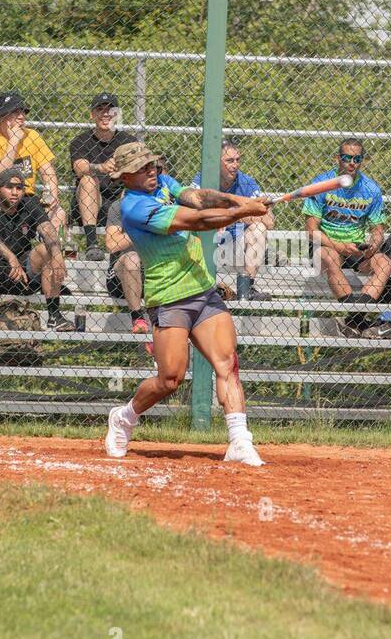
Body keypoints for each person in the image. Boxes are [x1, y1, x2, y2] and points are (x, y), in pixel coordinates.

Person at [104, 143, 269, 466]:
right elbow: (197, 221)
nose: (152, 171)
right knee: (170, 379)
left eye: (153, 164)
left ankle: (239, 440)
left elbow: (198, 198)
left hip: (203, 291)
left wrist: (238, 199)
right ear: (126, 177)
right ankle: (124, 417)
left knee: (227, 364)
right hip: (169, 297)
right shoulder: (134, 207)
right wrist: (243, 211)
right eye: (143, 168)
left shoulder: (162, 183)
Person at [303, 139, 391, 336]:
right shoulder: (322, 183)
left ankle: (354, 318)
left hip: (356, 246)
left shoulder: (371, 189)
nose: (352, 163)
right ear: (337, 158)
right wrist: (339, 245)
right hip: (326, 243)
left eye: (357, 159)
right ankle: (360, 319)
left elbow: (378, 229)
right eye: (347, 158)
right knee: (331, 257)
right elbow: (311, 230)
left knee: (384, 263)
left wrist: (374, 245)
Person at [0, 169, 72, 332]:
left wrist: (57, 254)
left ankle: (55, 316)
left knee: (46, 250)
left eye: (19, 188)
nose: (14, 192)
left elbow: (48, 230)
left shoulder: (30, 205)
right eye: (9, 187)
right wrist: (10, 257)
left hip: (24, 274)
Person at [0, 91, 67, 235]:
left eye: (22, 111)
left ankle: (52, 253)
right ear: (2, 116)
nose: (22, 116)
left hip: (25, 197)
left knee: (59, 213)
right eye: (15, 112)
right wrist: (13, 142)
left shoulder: (32, 136)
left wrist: (53, 196)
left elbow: (48, 171)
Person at [193, 140, 273, 301]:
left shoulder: (246, 182)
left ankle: (247, 288)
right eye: (229, 161)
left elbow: (269, 221)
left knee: (259, 228)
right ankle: (203, 288)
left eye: (238, 160)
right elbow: (191, 211)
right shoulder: (202, 179)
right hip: (205, 243)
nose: (235, 165)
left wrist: (233, 215)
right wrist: (219, 218)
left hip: (236, 247)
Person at [69, 92, 140, 261]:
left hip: (118, 202)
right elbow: (79, 167)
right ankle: (92, 243)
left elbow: (139, 168)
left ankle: (122, 250)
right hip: (88, 205)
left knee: (132, 185)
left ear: (117, 114)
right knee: (87, 179)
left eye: (110, 110)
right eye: (100, 109)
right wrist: (99, 167)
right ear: (92, 114)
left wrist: (121, 171)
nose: (105, 114)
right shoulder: (81, 140)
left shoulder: (129, 141)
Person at [104, 196, 148, 335]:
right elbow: (111, 244)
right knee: (132, 258)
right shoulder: (119, 206)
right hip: (120, 277)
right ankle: (138, 318)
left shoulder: (161, 205)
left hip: (153, 272)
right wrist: (143, 230)